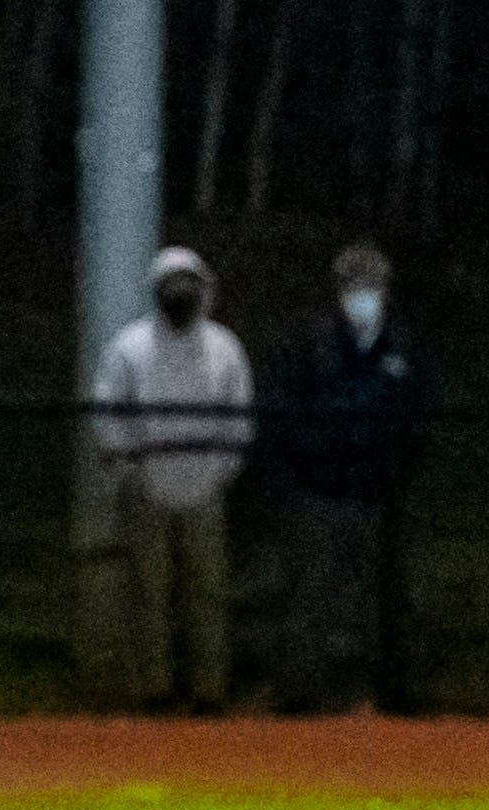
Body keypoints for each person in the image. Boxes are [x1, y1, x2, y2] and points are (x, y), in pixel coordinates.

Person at [91, 246, 255, 712]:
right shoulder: (130, 346)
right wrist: (130, 471)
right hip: (148, 486)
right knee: (148, 593)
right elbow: (107, 413)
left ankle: (209, 690)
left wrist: (220, 473)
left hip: (205, 486)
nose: (180, 295)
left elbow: (239, 416)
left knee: (208, 593)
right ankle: (153, 689)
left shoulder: (224, 347)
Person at [269, 242, 423, 713]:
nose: (363, 295)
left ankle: (375, 694)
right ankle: (307, 694)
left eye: (371, 284)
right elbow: (289, 411)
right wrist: (312, 462)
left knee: (376, 598)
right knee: (314, 595)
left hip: (377, 493)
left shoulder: (402, 345)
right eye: (354, 285)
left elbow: (415, 416)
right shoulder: (313, 344)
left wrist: (395, 470)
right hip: (321, 491)